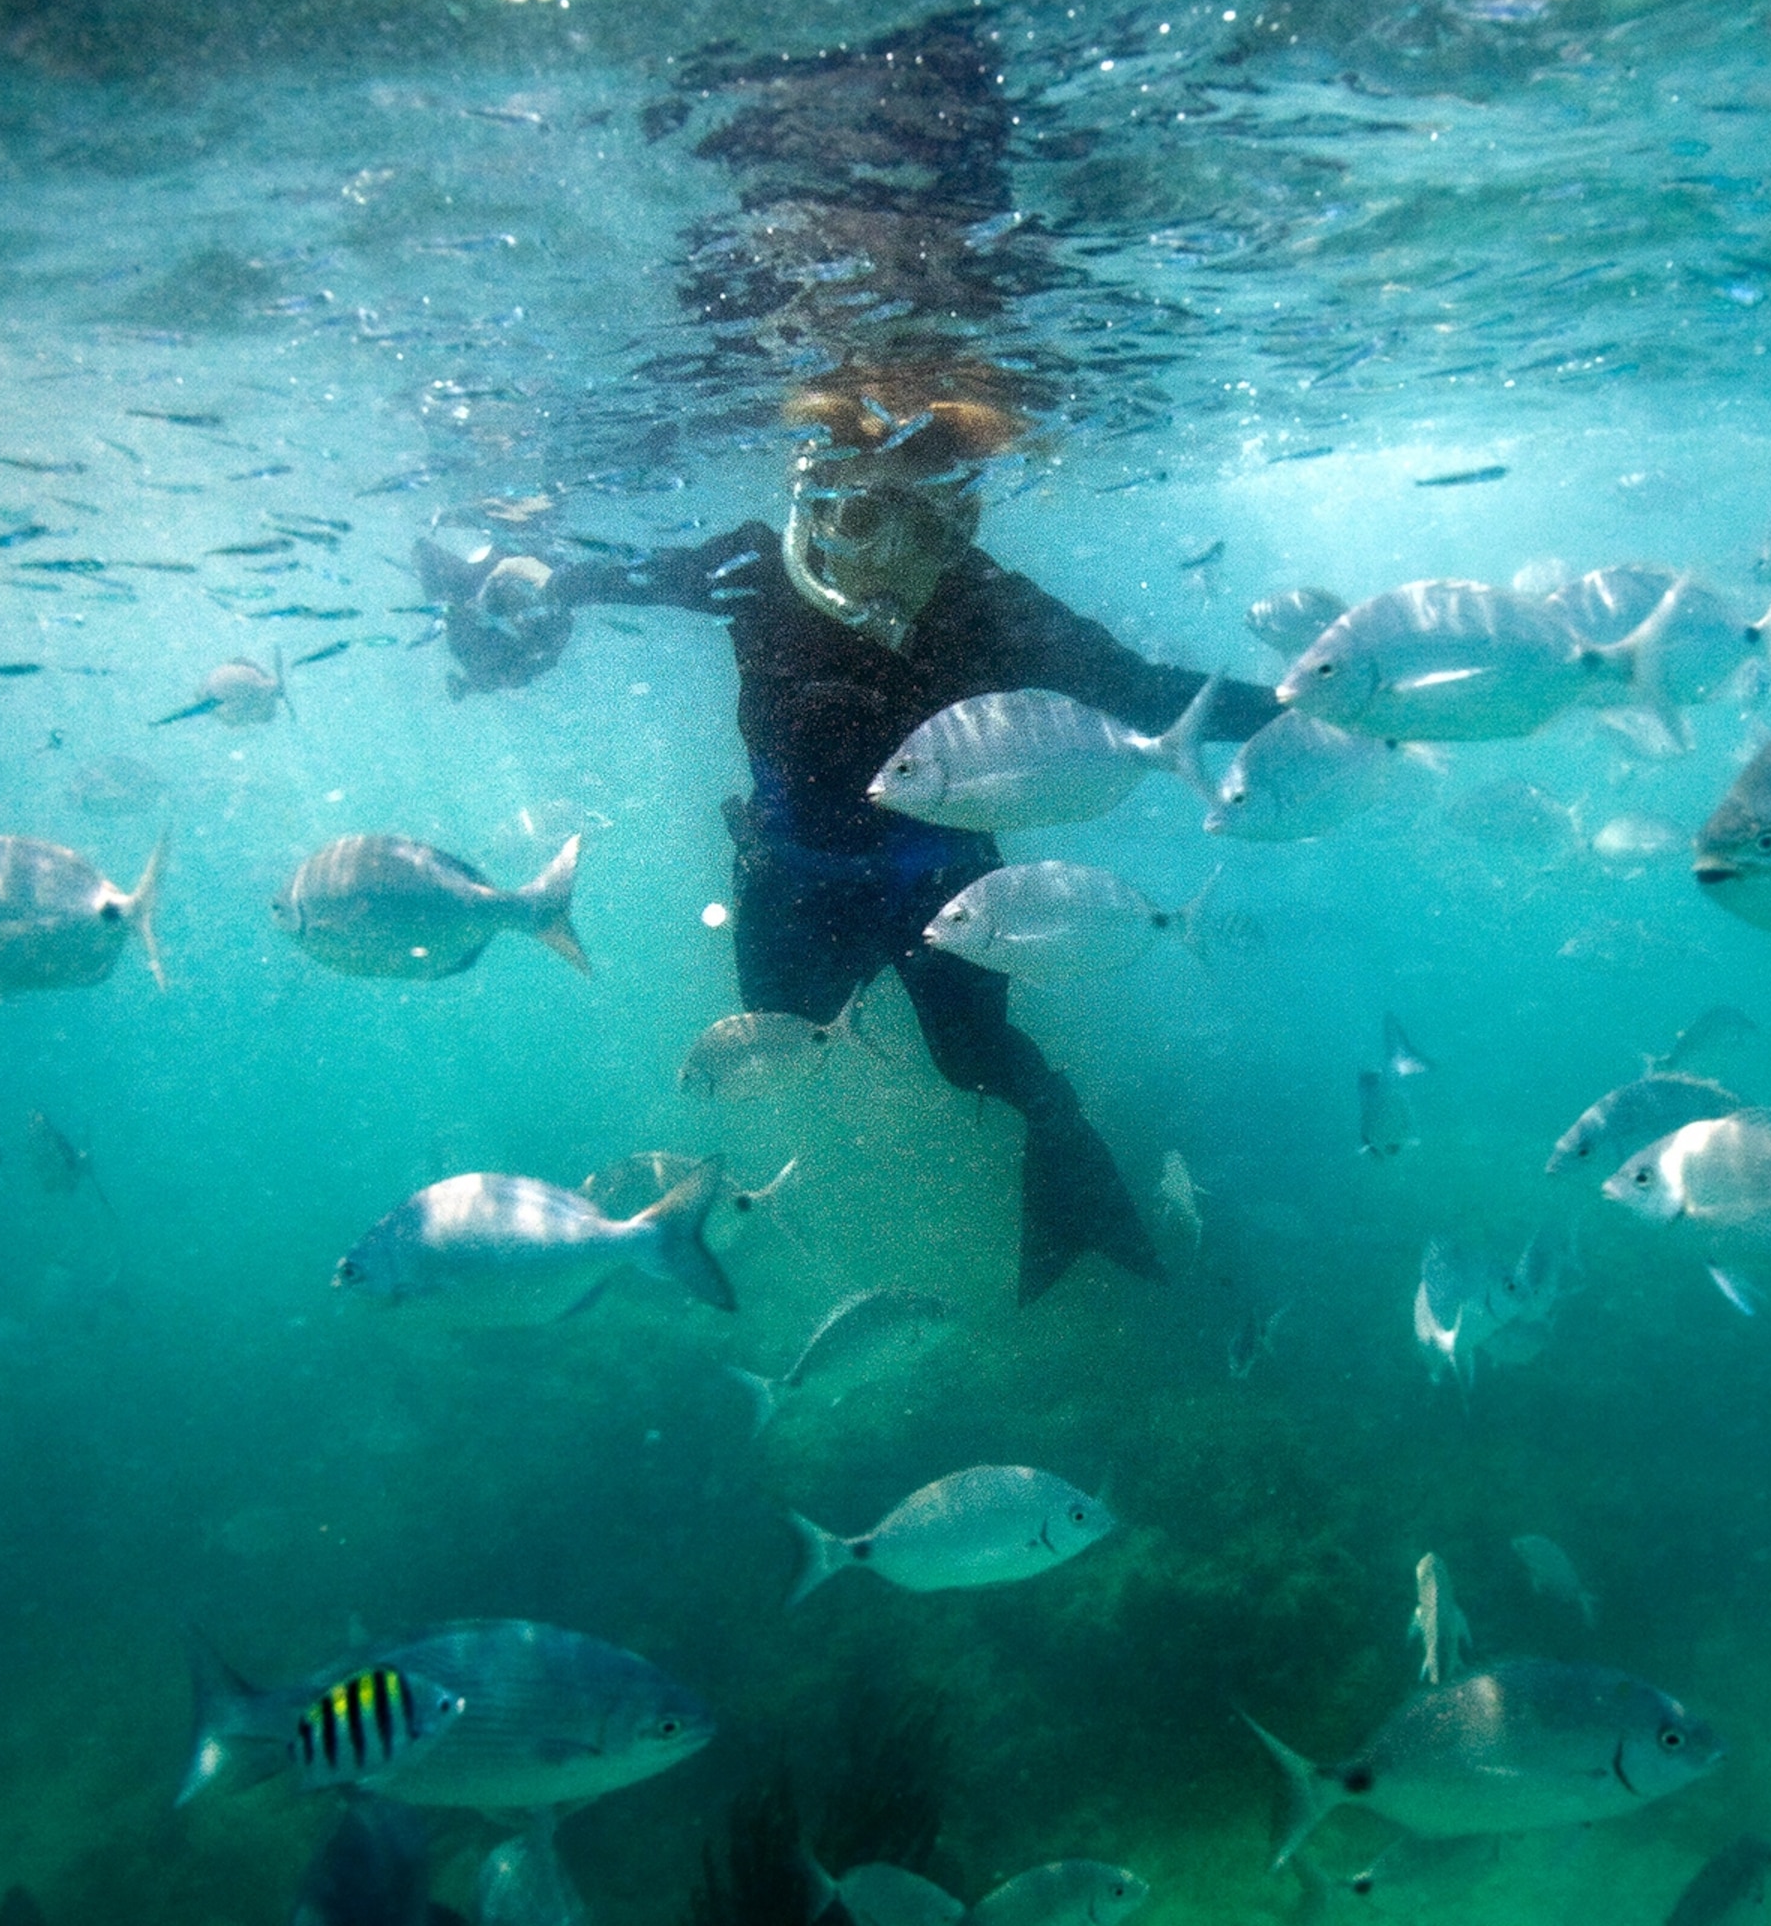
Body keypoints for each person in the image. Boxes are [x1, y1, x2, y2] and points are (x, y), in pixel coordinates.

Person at [443, 373, 1276, 1300]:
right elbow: (611, 577)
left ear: (956, 529)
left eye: (922, 530)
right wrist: (538, 584)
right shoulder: (756, 568)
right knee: (780, 1035)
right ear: (816, 502)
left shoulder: (982, 600)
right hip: (794, 879)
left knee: (974, 1062)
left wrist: (1310, 705)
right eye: (853, 517)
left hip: (945, 882)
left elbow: (1149, 694)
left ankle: (1072, 1182)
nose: (878, 560)